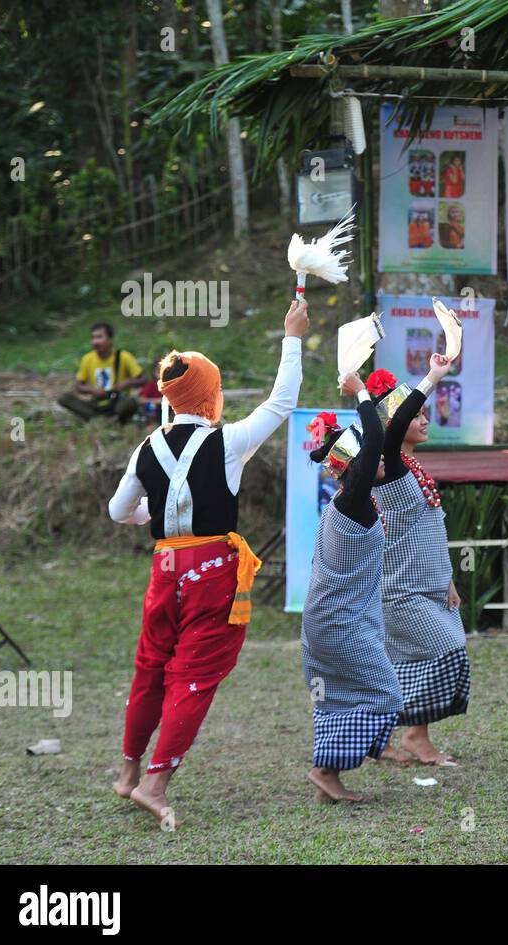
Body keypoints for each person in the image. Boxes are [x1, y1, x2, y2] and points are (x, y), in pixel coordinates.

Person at [107, 300, 308, 825]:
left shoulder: (145, 448)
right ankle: (155, 784)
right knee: (194, 675)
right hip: (210, 574)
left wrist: (161, 517)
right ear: (210, 395)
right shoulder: (229, 441)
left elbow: (117, 510)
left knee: (150, 668)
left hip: (164, 570)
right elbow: (283, 400)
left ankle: (128, 774)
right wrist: (292, 335)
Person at [301, 372, 412, 803]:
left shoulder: (341, 505)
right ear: (356, 468)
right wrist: (360, 390)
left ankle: (326, 778)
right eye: (372, 459)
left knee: (337, 698)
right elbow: (376, 436)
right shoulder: (352, 501)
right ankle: (331, 767)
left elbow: (380, 437)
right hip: (340, 624)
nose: (382, 459)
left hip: (323, 623)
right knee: (385, 693)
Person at [369, 358, 470, 767]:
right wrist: (433, 377)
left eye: (426, 413)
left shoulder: (411, 467)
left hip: (430, 585)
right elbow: (393, 427)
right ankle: (412, 734)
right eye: (418, 414)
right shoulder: (389, 467)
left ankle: (391, 737)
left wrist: (447, 578)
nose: (425, 419)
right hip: (401, 589)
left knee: (403, 664)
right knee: (450, 650)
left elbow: (430, 528)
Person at [60, 322, 147, 423]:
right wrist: (92, 390)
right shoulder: (87, 359)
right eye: (93, 338)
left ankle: (110, 418)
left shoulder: (124, 356)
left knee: (129, 402)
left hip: (118, 402)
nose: (95, 342)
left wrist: (128, 382)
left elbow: (143, 379)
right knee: (65, 398)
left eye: (99, 337)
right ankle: (104, 419)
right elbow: (79, 386)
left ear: (110, 340)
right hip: (97, 403)